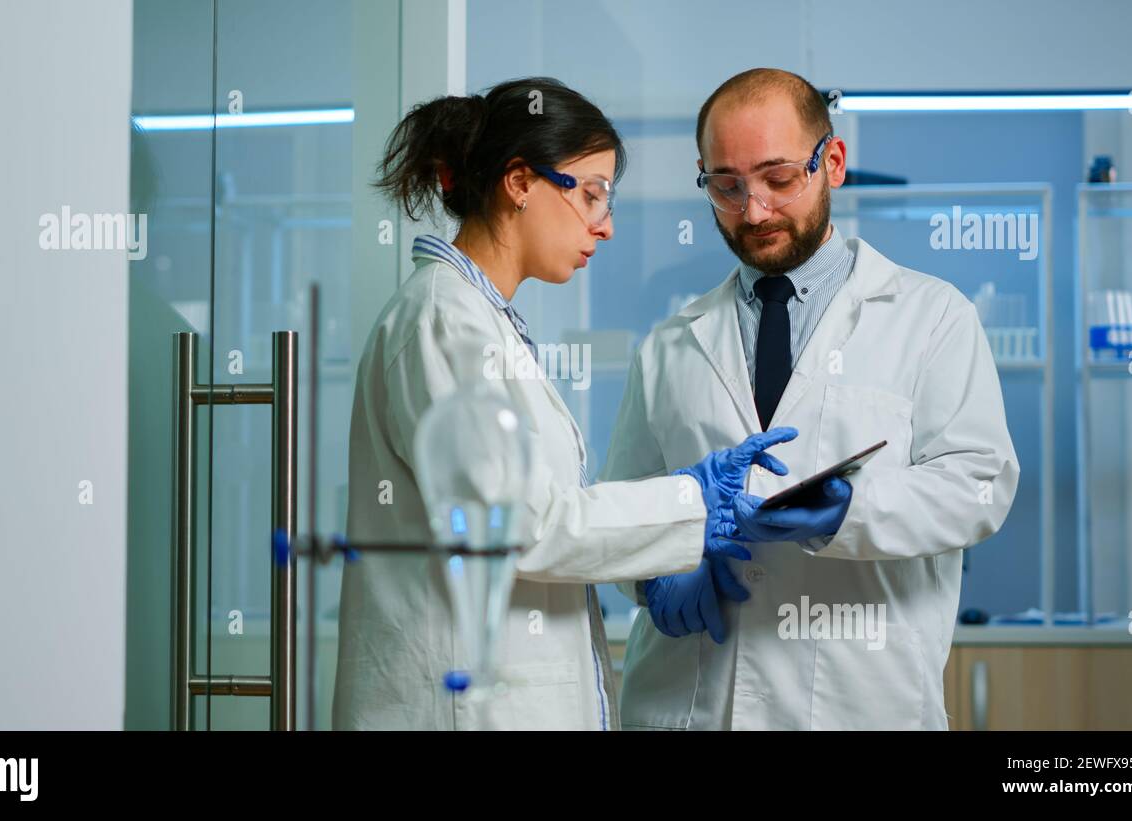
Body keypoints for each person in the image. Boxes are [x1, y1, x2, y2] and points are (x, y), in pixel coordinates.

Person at [334, 77, 794, 730]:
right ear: (520, 181)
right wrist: (691, 500)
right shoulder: (443, 320)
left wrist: (686, 510)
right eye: (592, 194)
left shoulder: (478, 320)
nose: (604, 226)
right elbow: (522, 525)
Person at [603, 68, 1019, 730]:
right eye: (727, 185)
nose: (755, 209)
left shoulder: (933, 318)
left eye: (778, 178)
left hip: (860, 706)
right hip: (689, 704)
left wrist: (851, 509)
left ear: (833, 162)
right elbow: (620, 507)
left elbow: (980, 487)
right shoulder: (670, 344)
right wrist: (652, 581)